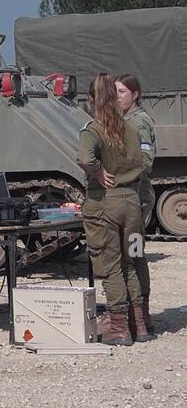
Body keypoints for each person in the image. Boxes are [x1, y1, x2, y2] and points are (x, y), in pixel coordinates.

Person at [77, 73, 147, 346]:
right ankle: (138, 323)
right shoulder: (130, 127)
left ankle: (118, 325)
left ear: (93, 99)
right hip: (132, 203)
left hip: (106, 202)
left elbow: (84, 157)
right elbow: (142, 160)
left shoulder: (93, 128)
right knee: (133, 261)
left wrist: (95, 172)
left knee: (110, 265)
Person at [115, 73, 156, 339]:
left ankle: (139, 315)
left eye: (121, 92)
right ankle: (139, 316)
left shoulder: (138, 121)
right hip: (130, 198)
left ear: (135, 93)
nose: (117, 97)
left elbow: (145, 161)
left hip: (136, 199)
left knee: (134, 255)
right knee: (133, 254)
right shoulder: (126, 120)